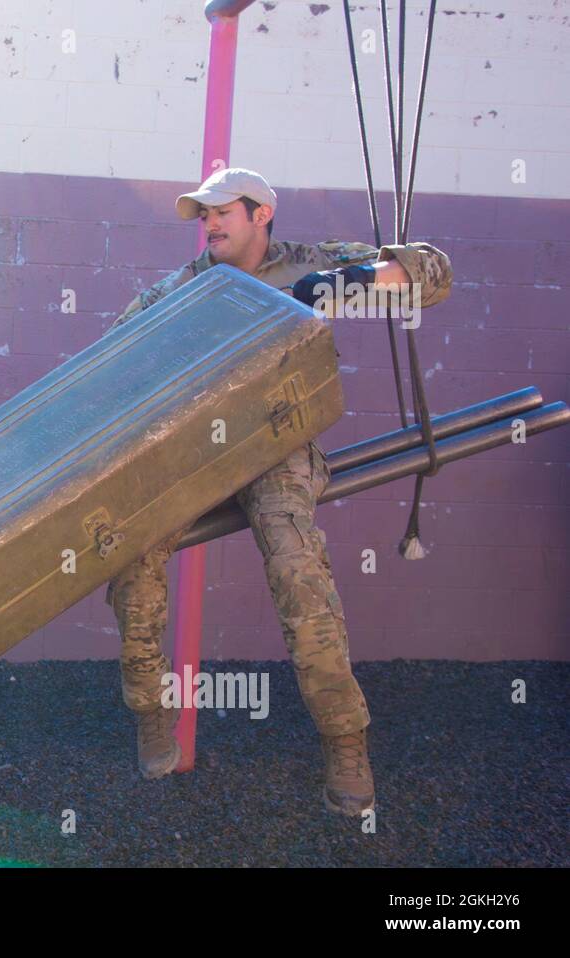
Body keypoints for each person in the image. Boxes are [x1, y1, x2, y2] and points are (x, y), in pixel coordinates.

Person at [106, 167, 453, 815]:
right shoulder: (184, 288)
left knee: (298, 568)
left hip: (277, 442)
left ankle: (344, 737)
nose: (208, 225)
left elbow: (434, 273)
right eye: (201, 216)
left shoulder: (310, 265)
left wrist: (347, 286)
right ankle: (150, 708)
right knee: (131, 549)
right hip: (196, 452)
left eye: (220, 212)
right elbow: (109, 354)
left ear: (261, 214)